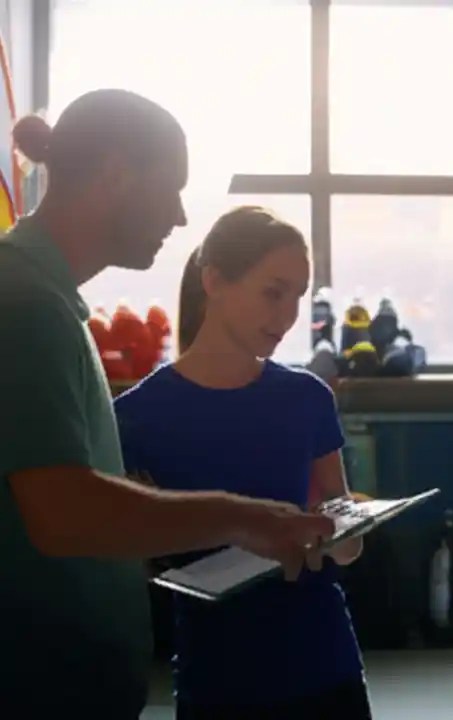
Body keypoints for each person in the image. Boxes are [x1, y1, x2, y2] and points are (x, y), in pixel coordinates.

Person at [0, 89, 335, 719]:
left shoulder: (52, 302)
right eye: (172, 189)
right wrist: (243, 518)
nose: (181, 217)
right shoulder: (25, 306)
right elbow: (60, 511)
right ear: (115, 174)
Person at [114, 205, 371, 719]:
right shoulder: (134, 417)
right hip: (218, 675)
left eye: (298, 296)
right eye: (273, 292)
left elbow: (347, 542)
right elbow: (123, 561)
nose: (288, 315)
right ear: (213, 281)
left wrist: (344, 528)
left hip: (324, 663)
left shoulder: (307, 398)